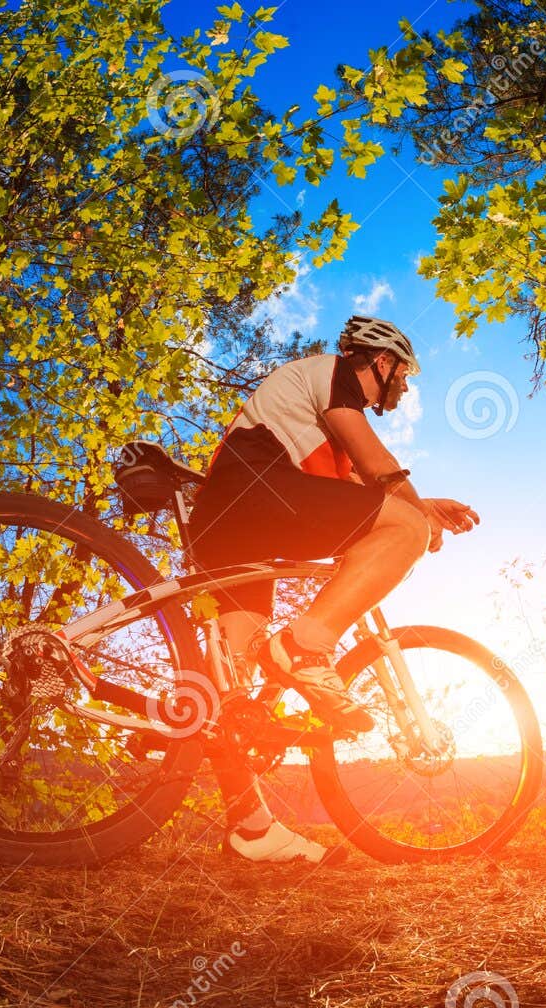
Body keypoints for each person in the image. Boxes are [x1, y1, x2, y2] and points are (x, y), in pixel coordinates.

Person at [187, 315, 480, 864]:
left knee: (232, 697)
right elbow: (381, 472)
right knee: (405, 529)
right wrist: (416, 521)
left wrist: (422, 505)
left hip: (232, 521)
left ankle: (252, 830)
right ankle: (303, 646)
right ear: (382, 361)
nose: (405, 386)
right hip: (255, 493)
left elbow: (356, 496)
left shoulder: (316, 432)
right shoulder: (336, 375)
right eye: (404, 374)